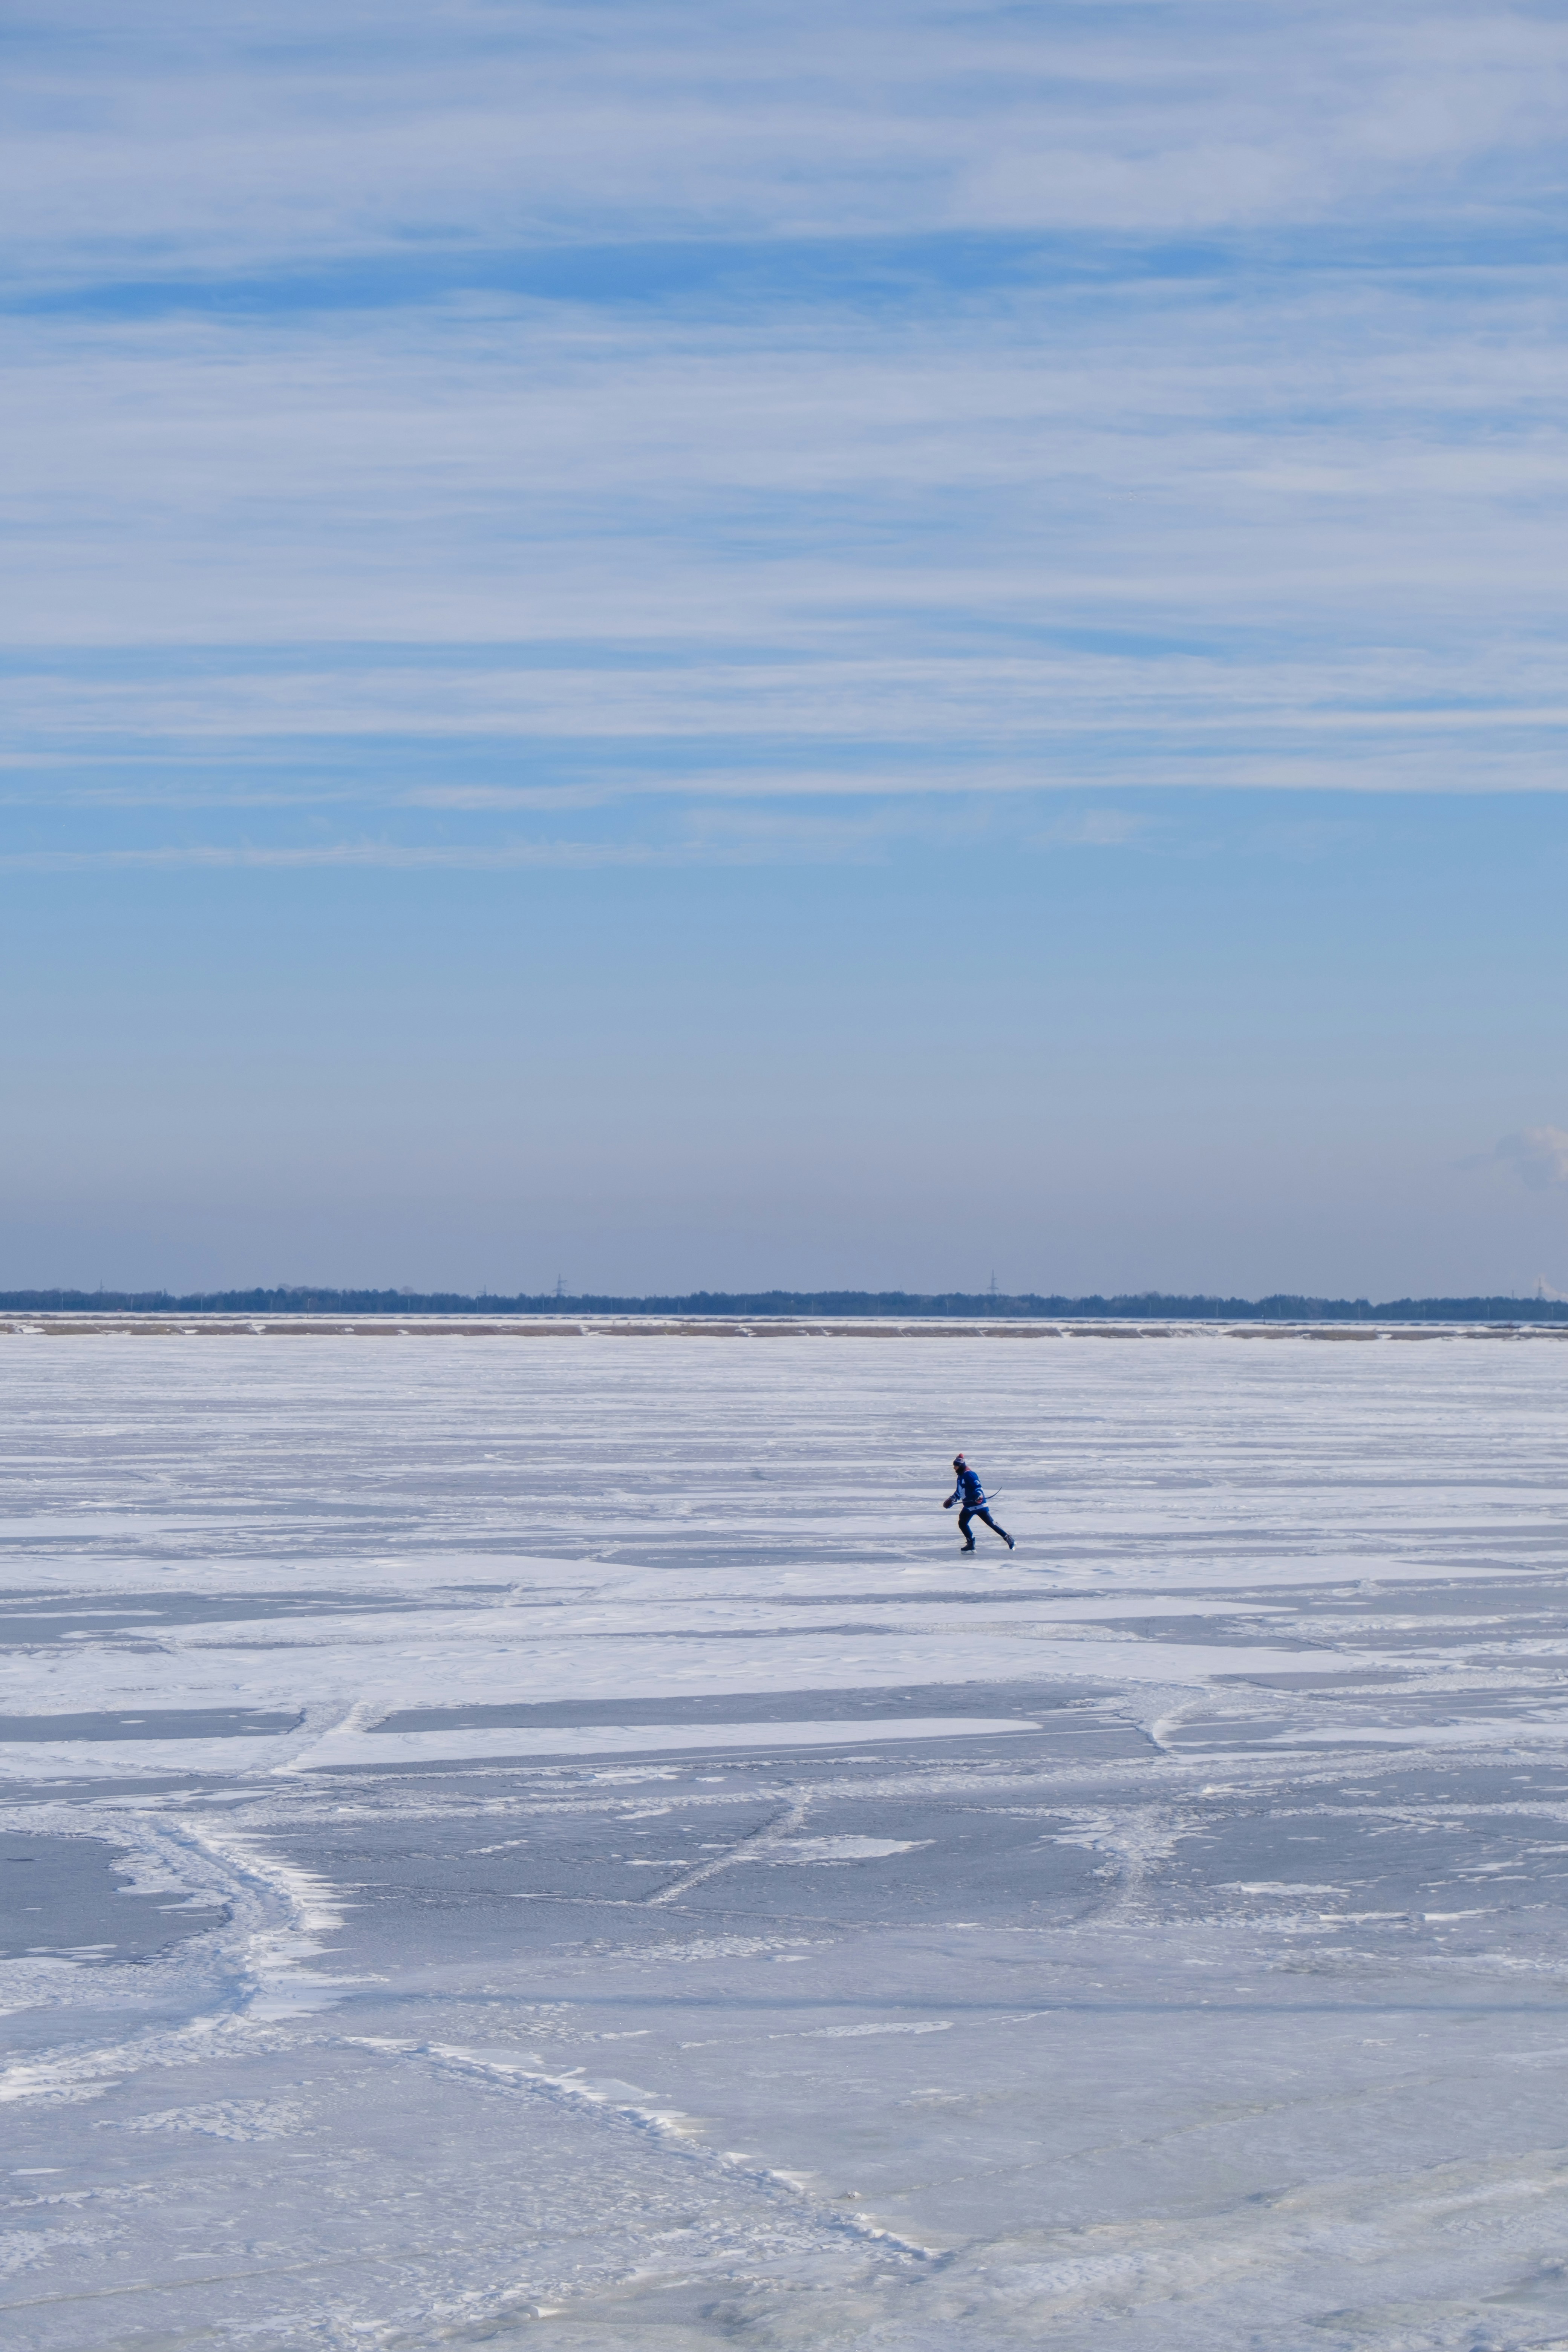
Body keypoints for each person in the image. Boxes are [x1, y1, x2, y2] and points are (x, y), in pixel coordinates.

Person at [943, 1453, 1014, 1551]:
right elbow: (959, 1492)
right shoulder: (960, 1477)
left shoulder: (969, 1474)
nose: (954, 1468)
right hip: (969, 1507)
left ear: (961, 1466)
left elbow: (978, 1487)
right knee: (962, 1523)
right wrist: (952, 1500)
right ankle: (971, 1543)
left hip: (979, 1505)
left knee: (991, 1523)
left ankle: (1008, 1538)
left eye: (956, 1466)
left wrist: (979, 1495)